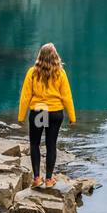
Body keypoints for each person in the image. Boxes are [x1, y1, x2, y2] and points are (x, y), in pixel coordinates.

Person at [17, 43, 75, 188]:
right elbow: (67, 97)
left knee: (35, 144)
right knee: (51, 145)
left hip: (40, 111)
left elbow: (25, 96)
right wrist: (72, 117)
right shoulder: (60, 73)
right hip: (55, 112)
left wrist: (21, 116)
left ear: (40, 56)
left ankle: (37, 178)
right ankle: (49, 179)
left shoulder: (32, 72)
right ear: (55, 57)